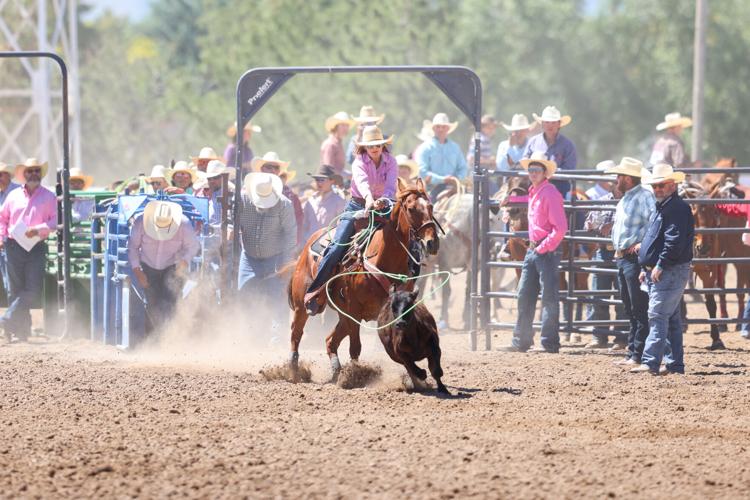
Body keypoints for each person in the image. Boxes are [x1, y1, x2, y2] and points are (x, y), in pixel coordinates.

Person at [304, 125, 398, 314]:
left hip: (384, 206)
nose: (374, 148)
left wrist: (384, 200)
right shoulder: (359, 162)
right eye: (370, 145)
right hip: (357, 205)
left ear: (382, 145)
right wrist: (370, 200)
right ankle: (315, 292)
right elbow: (362, 183)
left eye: (377, 144)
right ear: (364, 147)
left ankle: (407, 284)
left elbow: (391, 185)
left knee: (404, 239)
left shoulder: (391, 161)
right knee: (337, 246)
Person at [499, 152, 567, 353]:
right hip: (533, 248)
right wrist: (506, 203)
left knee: (548, 297)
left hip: (544, 249)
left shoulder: (550, 193)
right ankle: (521, 340)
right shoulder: (533, 192)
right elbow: (516, 197)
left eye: (537, 170)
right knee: (524, 294)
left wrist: (543, 247)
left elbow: (560, 228)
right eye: (531, 170)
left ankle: (549, 342)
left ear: (545, 173)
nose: (533, 173)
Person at [632, 164, 694, 375]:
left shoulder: (675, 208)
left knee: (657, 315)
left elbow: (673, 241)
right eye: (655, 186)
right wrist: (646, 266)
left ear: (672, 185)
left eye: (661, 185)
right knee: (671, 318)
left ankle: (650, 362)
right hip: (665, 269)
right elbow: (661, 240)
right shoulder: (667, 207)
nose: (657, 189)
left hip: (669, 270)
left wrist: (659, 264)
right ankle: (674, 364)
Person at [605, 157, 656, 366]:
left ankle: (638, 353)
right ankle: (633, 351)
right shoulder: (626, 198)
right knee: (630, 305)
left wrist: (642, 244)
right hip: (623, 257)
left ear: (628, 178)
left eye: (619, 176)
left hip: (634, 258)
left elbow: (655, 224)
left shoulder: (644, 197)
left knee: (638, 306)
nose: (616, 179)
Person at [0, 158, 57, 342]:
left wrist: (38, 229)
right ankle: (21, 331)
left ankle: (7, 319)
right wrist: (1, 238)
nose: (33, 174)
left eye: (36, 171)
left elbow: (55, 222)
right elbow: (3, 219)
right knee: (14, 290)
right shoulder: (13, 196)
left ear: (40, 174)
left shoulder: (49, 196)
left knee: (32, 289)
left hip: (36, 246)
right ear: (24, 175)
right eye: (30, 171)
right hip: (13, 245)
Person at [128, 200, 201, 334]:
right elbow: (132, 246)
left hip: (173, 266)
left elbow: (193, 246)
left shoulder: (183, 223)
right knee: (151, 302)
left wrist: (184, 262)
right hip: (147, 266)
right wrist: (137, 271)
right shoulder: (140, 222)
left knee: (171, 302)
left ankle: (169, 338)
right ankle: (152, 339)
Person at [582, 164, 627, 350]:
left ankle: (621, 337)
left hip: (620, 252)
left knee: (621, 297)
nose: (614, 183)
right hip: (603, 251)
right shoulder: (602, 200)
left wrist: (613, 228)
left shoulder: (628, 202)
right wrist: (593, 225)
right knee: (598, 295)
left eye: (616, 179)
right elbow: (587, 224)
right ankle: (599, 336)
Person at [237, 172, 296, 305]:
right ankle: (244, 322)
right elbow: (229, 221)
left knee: (277, 297)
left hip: (275, 258)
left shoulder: (285, 205)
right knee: (243, 293)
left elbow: (290, 235)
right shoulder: (242, 201)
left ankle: (278, 325)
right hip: (248, 257)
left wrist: (286, 264)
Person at [251, 152, 304, 248]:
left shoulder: (290, 196)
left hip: (279, 247)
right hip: (254, 244)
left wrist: (294, 243)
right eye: (269, 167)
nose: (273, 170)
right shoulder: (250, 189)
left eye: (276, 168)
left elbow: (298, 220)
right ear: (262, 168)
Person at [523, 106, 577, 199]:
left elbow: (569, 169)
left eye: (553, 122)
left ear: (559, 124)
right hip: (534, 186)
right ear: (542, 124)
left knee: (575, 207)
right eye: (547, 122)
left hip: (560, 186)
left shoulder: (568, 145)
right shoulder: (533, 142)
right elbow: (525, 162)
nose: (550, 125)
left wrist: (550, 173)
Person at [417, 112, 468, 200]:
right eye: (438, 127)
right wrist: (442, 179)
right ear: (433, 128)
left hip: (455, 186)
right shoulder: (426, 148)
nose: (441, 129)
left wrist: (456, 178)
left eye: (443, 127)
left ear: (448, 129)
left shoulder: (455, 147)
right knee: (430, 208)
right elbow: (423, 171)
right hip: (433, 187)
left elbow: (463, 167)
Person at [301, 164, 347, 242]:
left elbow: (341, 227)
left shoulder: (339, 202)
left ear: (332, 181)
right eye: (317, 179)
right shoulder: (310, 201)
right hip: (308, 245)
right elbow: (304, 225)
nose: (319, 183)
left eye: (322, 179)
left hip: (326, 245)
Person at [0, 162, 20, 303]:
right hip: (3, 243)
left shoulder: (18, 191)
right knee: (8, 283)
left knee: (14, 283)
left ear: (7, 175)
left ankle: (16, 318)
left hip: (15, 243)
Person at [321, 111, 354, 177]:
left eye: (347, 125)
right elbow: (328, 169)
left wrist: (348, 174)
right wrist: (346, 175)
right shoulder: (330, 144)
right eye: (342, 125)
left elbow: (339, 169)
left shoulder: (338, 143)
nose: (346, 128)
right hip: (329, 183)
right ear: (335, 127)